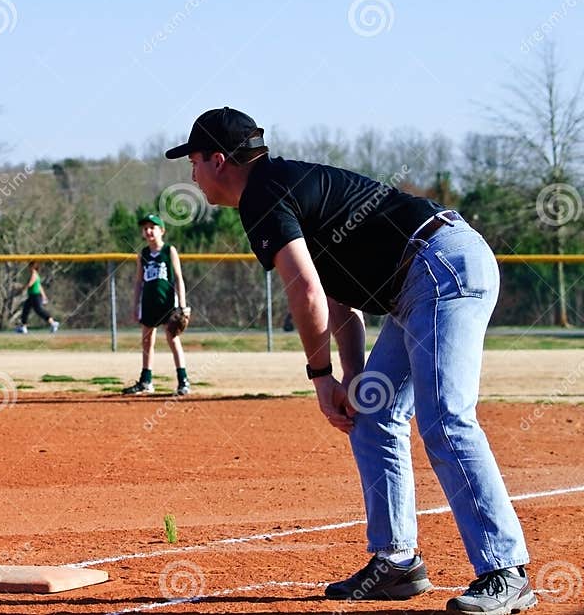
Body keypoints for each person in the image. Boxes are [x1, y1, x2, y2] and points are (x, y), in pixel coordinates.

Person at [166, 107, 535, 614]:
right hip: (421, 279)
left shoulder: (263, 195)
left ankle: (504, 570)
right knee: (375, 413)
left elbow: (307, 294)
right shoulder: (282, 187)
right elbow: (339, 296)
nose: (191, 174)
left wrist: (320, 378)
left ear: (219, 159)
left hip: (440, 267)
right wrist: (355, 375)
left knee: (446, 419)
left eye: (193, 161)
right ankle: (397, 563)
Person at [121, 213, 191, 396]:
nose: (148, 231)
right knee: (147, 341)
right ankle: (146, 381)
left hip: (167, 303)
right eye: (145, 228)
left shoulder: (169, 250)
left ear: (162, 231)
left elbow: (178, 278)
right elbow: (138, 282)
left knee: (172, 339)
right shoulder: (143, 254)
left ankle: (183, 380)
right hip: (149, 302)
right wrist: (135, 305)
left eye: (153, 227)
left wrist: (182, 306)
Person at [15, 261, 60, 333]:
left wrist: (21, 288)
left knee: (39, 310)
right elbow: (39, 286)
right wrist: (44, 295)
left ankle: (53, 323)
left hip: (35, 296)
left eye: (29, 266)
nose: (28, 268)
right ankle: (23, 327)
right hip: (32, 296)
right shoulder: (36, 275)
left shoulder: (34, 275)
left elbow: (30, 284)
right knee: (25, 309)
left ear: (33, 267)